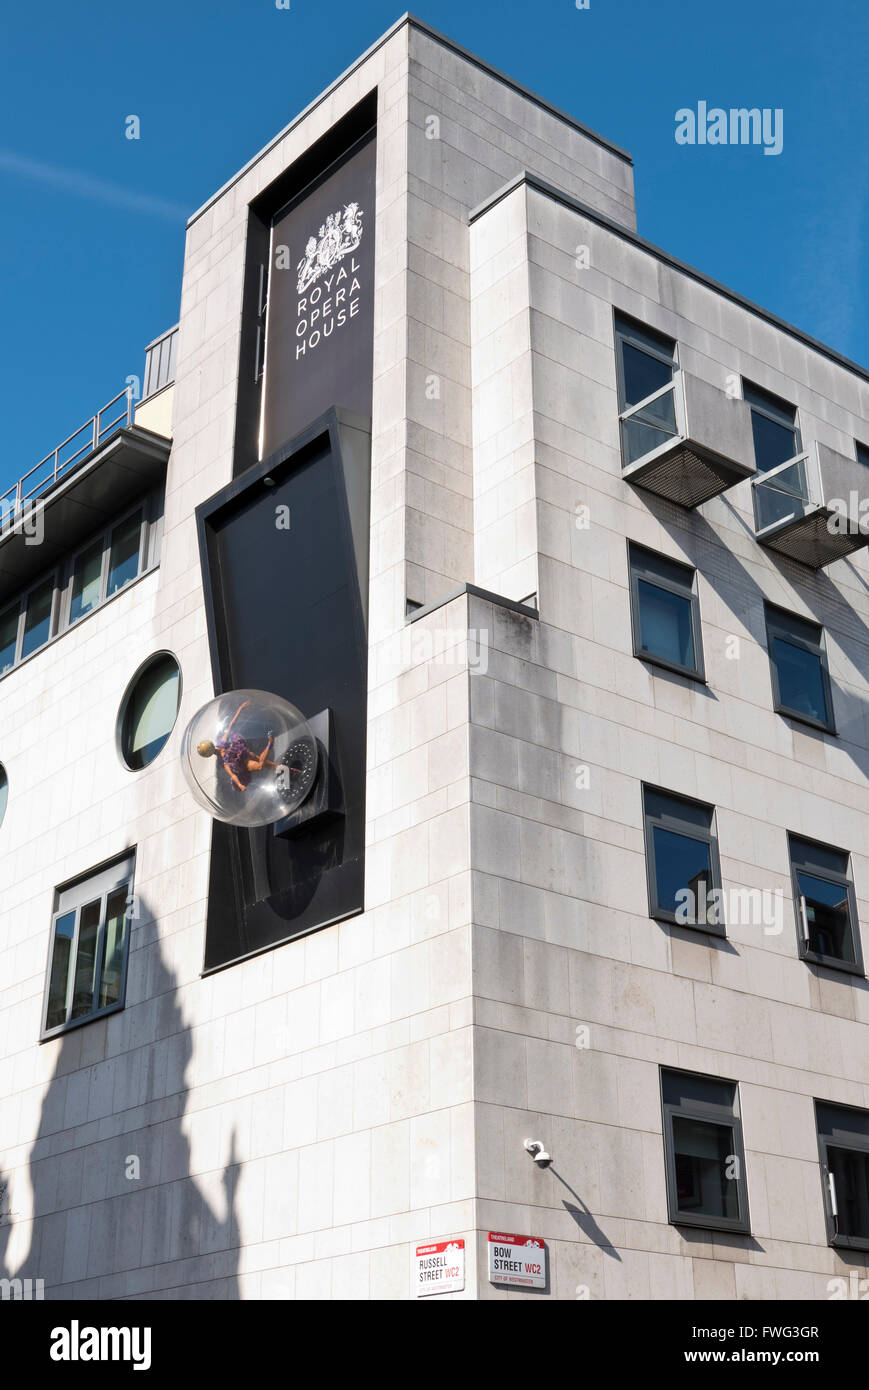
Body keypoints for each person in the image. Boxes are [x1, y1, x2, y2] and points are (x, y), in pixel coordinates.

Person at [196, 699, 280, 793]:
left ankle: (283, 768)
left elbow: (231, 725)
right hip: (244, 764)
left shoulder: (222, 745)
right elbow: (232, 775)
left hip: (244, 754)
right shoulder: (222, 760)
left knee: (264, 763)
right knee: (261, 765)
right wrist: (239, 784)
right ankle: (270, 744)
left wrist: (240, 709)